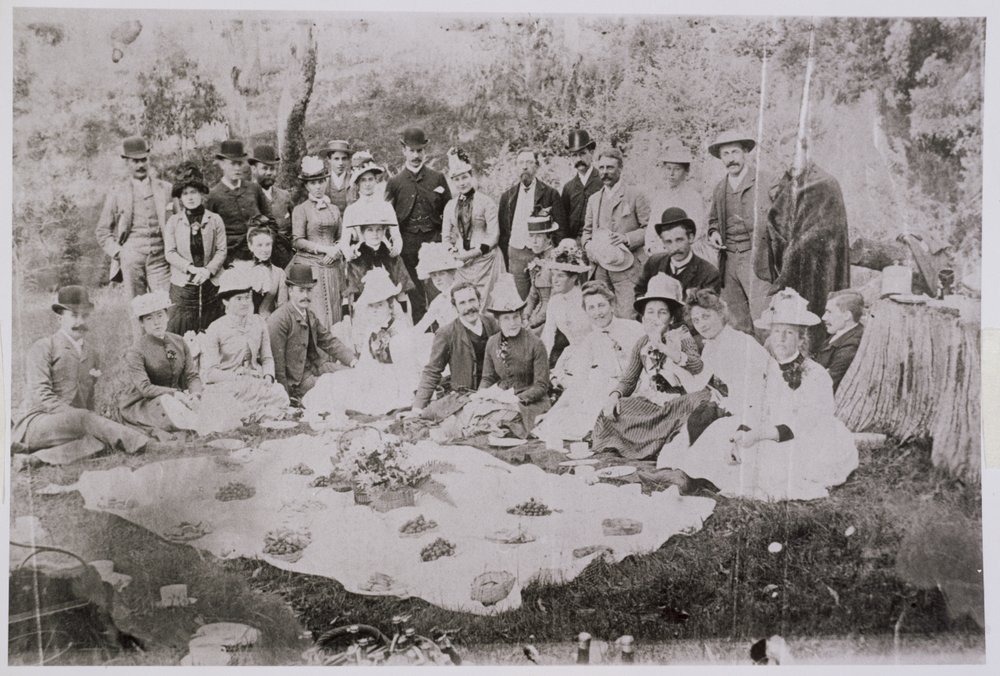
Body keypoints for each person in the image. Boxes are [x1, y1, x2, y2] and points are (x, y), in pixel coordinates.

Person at [657, 289, 859, 501]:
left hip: (806, 437)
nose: (781, 339)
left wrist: (760, 434)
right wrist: (743, 431)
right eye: (776, 332)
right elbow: (756, 404)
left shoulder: (815, 374)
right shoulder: (770, 369)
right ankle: (690, 476)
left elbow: (808, 422)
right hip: (770, 427)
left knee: (765, 455)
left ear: (801, 339)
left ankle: (699, 479)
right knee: (728, 436)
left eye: (789, 333)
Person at [11, 286, 157, 465]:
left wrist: (90, 419)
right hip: (38, 423)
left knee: (100, 441)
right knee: (90, 423)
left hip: (74, 425)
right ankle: (145, 445)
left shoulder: (91, 353)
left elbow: (89, 399)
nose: (80, 321)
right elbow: (41, 396)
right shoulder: (44, 347)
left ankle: (35, 459)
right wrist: (82, 417)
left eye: (85, 315)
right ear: (60, 318)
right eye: (74, 315)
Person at [591, 273, 711, 461]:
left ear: (671, 318)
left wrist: (665, 348)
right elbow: (629, 380)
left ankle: (664, 444)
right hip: (654, 405)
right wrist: (614, 396)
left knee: (699, 402)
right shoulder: (642, 343)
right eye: (650, 312)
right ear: (643, 317)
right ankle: (650, 444)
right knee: (615, 409)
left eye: (662, 313)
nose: (655, 318)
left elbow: (697, 366)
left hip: (680, 402)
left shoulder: (681, 336)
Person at [659, 289, 771, 453]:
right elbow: (697, 386)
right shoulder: (710, 347)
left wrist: (724, 410)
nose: (702, 325)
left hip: (753, 411)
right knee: (678, 444)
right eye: (696, 320)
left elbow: (756, 390)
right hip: (729, 407)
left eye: (706, 316)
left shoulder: (740, 341)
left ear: (720, 313)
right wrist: (674, 358)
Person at [533, 281, 644, 445]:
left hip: (637, 388)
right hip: (604, 393)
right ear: (586, 312)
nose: (597, 312)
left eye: (601, 305)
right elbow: (578, 384)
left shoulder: (634, 328)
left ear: (612, 306)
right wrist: (551, 413)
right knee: (560, 422)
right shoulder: (589, 342)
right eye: (591, 308)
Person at [302, 268, 422, 417]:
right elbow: (365, 362)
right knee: (331, 382)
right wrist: (362, 377)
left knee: (356, 397)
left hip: (391, 383)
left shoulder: (399, 331)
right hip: (370, 377)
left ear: (390, 306)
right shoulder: (372, 329)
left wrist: (412, 394)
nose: (375, 310)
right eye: (371, 306)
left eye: (380, 305)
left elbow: (408, 370)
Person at [766, 142, 851, 346]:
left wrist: (793, 251)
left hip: (820, 264)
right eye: (784, 155)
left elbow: (824, 227)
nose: (790, 161)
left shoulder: (825, 183)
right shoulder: (788, 183)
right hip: (796, 263)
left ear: (806, 153)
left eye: (794, 154)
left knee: (817, 311)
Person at [200, 269, 289, 431]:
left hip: (255, 381)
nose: (244, 303)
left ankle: (253, 413)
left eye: (247, 297)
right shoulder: (216, 328)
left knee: (279, 393)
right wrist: (236, 378)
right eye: (238, 299)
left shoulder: (259, 323)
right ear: (225, 302)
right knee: (224, 402)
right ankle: (246, 414)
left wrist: (268, 376)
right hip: (228, 384)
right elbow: (210, 372)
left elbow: (267, 358)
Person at [706, 130, 774, 334]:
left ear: (745, 152)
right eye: (725, 154)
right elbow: (713, 220)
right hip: (729, 262)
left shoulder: (766, 181)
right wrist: (714, 233)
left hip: (758, 261)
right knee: (737, 322)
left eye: (735, 152)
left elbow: (782, 219)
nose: (731, 159)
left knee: (763, 319)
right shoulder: (720, 188)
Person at [384, 127, 452, 323]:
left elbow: (449, 211)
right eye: (411, 150)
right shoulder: (395, 182)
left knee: (438, 289)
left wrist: (446, 241)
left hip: (434, 242)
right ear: (403, 150)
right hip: (408, 246)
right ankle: (421, 334)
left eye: (419, 150)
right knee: (415, 295)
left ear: (425, 150)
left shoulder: (437, 178)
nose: (415, 155)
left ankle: (442, 330)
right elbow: (387, 218)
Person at [95, 136, 174, 297]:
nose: (140, 165)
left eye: (144, 160)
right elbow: (102, 231)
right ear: (126, 162)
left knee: (166, 303)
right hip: (132, 261)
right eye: (135, 161)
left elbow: (179, 223)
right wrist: (119, 253)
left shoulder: (166, 189)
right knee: (137, 306)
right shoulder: (118, 192)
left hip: (161, 259)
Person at [267, 264, 358, 402]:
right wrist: (286, 398)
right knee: (340, 387)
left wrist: (353, 361)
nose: (306, 295)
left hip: (317, 367)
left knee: (354, 375)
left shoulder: (309, 315)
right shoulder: (279, 319)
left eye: (309, 290)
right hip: (298, 382)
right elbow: (277, 364)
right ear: (290, 291)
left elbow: (329, 341)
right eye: (301, 290)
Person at [118, 291, 202, 438]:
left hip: (179, 397)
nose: (156, 322)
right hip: (145, 403)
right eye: (149, 318)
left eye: (160, 315)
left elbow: (192, 375)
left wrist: (195, 395)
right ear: (142, 323)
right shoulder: (136, 351)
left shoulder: (179, 341)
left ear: (167, 316)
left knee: (209, 398)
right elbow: (145, 388)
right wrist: (175, 394)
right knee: (170, 405)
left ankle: (196, 420)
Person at [477, 274, 552, 436]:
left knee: (503, 422)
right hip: (502, 398)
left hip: (531, 402)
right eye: (506, 318)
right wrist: (481, 394)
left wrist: (517, 399)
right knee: (475, 414)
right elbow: (488, 378)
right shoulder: (492, 342)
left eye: (515, 317)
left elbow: (541, 385)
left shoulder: (535, 343)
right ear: (498, 321)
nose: (512, 323)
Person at [581, 146, 651, 319]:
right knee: (601, 316)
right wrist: (588, 247)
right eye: (602, 168)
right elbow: (587, 232)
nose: (605, 172)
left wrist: (627, 238)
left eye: (610, 168)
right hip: (600, 269)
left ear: (620, 168)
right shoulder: (594, 199)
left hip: (628, 269)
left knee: (627, 315)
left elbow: (649, 229)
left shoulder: (635, 195)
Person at [412, 282, 501, 417]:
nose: (469, 307)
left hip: (494, 390)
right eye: (462, 303)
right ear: (455, 307)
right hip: (465, 397)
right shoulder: (446, 333)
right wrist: (417, 408)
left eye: (472, 300)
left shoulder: (491, 323)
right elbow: (432, 371)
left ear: (480, 302)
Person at [162, 162, 227, 335]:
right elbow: (170, 252)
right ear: (180, 197)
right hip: (183, 284)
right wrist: (190, 268)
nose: (190, 197)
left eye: (193, 192)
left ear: (201, 193)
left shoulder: (215, 220)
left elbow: (221, 250)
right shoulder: (173, 222)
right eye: (185, 194)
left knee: (213, 331)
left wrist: (207, 271)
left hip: (211, 283)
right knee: (180, 331)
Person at [497, 149, 566, 299]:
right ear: (516, 166)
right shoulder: (507, 196)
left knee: (544, 295)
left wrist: (555, 255)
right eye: (521, 163)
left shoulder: (550, 194)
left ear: (537, 166)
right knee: (520, 298)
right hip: (516, 254)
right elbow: (503, 231)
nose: (524, 166)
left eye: (529, 162)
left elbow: (560, 229)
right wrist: (507, 257)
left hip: (542, 253)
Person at [442, 147, 505, 306]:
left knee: (490, 304)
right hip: (462, 265)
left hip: (486, 260)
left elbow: (494, 235)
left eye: (464, 177)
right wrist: (453, 252)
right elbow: (446, 237)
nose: (461, 183)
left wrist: (473, 253)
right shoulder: (450, 206)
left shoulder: (486, 202)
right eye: (457, 179)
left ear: (471, 176)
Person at [290, 155, 347, 329]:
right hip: (312, 267)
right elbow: (297, 241)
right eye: (313, 183)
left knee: (336, 312)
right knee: (318, 314)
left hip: (333, 266)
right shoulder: (301, 210)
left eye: (321, 181)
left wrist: (336, 250)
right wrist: (324, 249)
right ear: (307, 185)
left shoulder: (334, 209)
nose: (318, 186)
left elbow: (341, 236)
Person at [205, 139, 273, 265]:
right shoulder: (213, 196)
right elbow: (210, 233)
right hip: (230, 259)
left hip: (259, 256)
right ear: (222, 164)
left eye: (240, 163)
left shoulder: (254, 188)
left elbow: (270, 220)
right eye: (232, 164)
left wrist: (266, 245)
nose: (237, 168)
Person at [342, 197, 415, 313]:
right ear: (362, 232)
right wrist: (348, 316)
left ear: (384, 231)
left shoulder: (392, 258)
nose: (375, 234)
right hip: (366, 310)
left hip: (390, 309)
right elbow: (350, 295)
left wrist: (404, 315)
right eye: (370, 230)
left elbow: (402, 292)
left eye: (379, 229)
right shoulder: (356, 260)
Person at [635, 207, 720, 299]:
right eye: (669, 242)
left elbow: (708, 306)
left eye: (679, 240)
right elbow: (639, 292)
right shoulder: (654, 263)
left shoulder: (709, 273)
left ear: (691, 238)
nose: (675, 247)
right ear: (663, 242)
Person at [644, 140, 706, 258]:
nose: (671, 174)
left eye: (677, 169)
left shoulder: (693, 197)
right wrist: (650, 246)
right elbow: (652, 226)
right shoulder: (660, 197)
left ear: (686, 171)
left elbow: (696, 230)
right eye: (668, 168)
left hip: (684, 251)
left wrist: (673, 246)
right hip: (661, 251)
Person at [339, 151, 403, 258]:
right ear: (358, 183)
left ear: (375, 181)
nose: (367, 184)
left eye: (370, 179)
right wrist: (349, 254)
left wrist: (396, 247)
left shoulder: (386, 207)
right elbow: (345, 240)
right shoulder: (351, 210)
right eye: (363, 180)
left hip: (385, 254)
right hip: (361, 256)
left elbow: (396, 234)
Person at [539, 241, 592, 361]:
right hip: (573, 353)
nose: (555, 280)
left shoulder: (587, 298)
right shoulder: (554, 302)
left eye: (560, 276)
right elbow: (548, 335)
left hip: (595, 352)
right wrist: (541, 363)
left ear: (573, 278)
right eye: (553, 275)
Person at [248, 145, 294, 268]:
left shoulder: (285, 196)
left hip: (286, 264)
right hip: (256, 265)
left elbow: (294, 230)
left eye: (272, 168)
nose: (269, 172)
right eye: (264, 168)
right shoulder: (246, 197)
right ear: (254, 169)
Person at [228, 227, 287, 319]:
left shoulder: (279, 273)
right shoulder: (240, 270)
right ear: (250, 246)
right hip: (243, 322)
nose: (265, 250)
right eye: (259, 245)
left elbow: (282, 308)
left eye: (268, 245)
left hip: (268, 323)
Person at [814, 290, 865, 391]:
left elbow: (825, 384)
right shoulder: (840, 333)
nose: (824, 317)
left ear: (846, 315)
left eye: (829, 312)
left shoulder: (852, 344)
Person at [560, 129, 603, 242]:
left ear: (591, 153)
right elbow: (563, 221)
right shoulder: (568, 187)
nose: (579, 159)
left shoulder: (602, 182)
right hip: (574, 243)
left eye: (582, 154)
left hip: (598, 241)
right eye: (574, 155)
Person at [413, 242, 463, 334]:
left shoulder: (462, 294)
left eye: (442, 274)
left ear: (452, 273)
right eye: (434, 276)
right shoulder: (438, 301)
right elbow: (422, 325)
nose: (438, 279)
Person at [522, 209, 559, 332]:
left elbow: (552, 302)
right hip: (538, 317)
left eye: (538, 236)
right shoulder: (539, 259)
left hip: (552, 318)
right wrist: (525, 317)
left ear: (549, 239)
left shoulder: (555, 262)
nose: (534, 241)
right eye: (531, 236)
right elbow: (532, 296)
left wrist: (532, 323)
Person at [319, 139, 356, 214]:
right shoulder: (323, 181)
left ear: (348, 160)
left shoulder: (354, 180)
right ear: (329, 160)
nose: (340, 163)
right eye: (336, 159)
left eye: (344, 159)